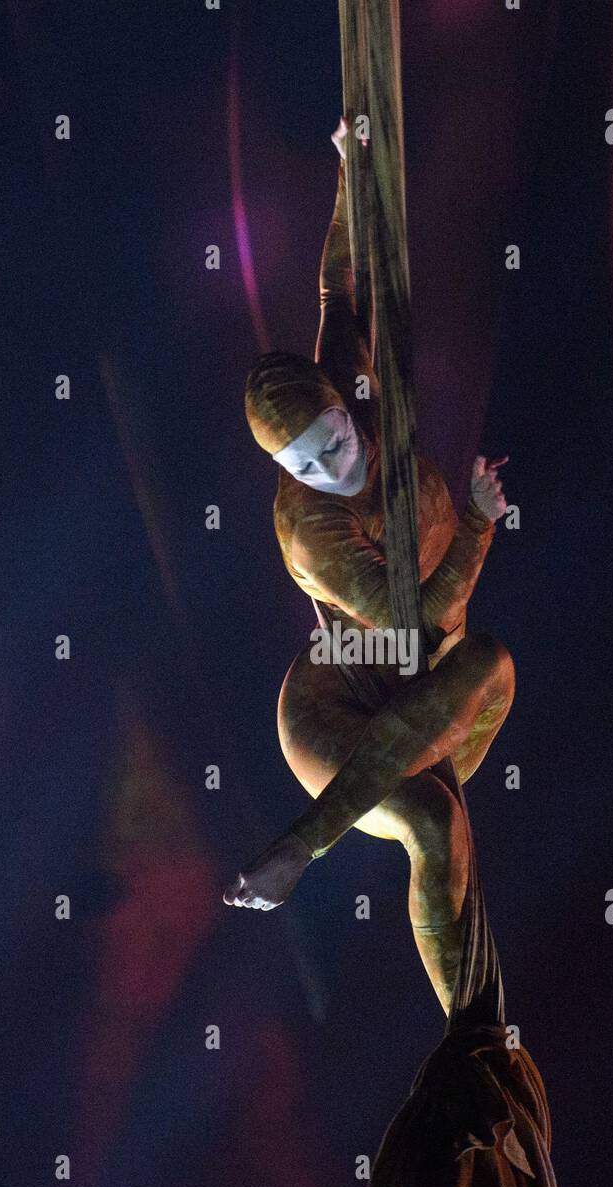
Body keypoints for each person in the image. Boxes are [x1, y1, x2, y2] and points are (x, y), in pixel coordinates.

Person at [223, 117, 514, 1014]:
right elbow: (423, 619)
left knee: (463, 753)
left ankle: (391, 802)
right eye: (309, 462)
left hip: (399, 679)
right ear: (285, 473)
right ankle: (467, 1030)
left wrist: (349, 171)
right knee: (437, 800)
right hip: (332, 711)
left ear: (341, 405)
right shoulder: (316, 533)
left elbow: (338, 290)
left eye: (337, 437)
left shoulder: (346, 380)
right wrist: (474, 522)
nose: (337, 462)